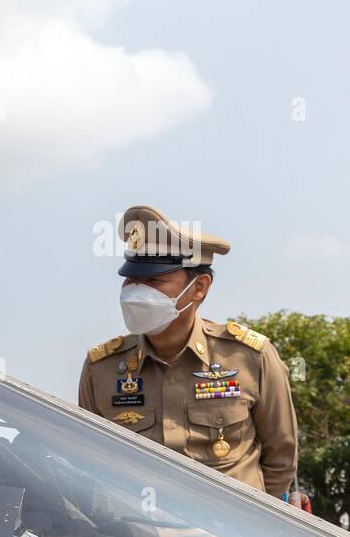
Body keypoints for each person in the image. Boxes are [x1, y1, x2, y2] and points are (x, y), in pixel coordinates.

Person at [78, 205, 301, 502]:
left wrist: (244, 529)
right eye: (131, 279)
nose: (135, 291)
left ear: (199, 288)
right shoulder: (101, 368)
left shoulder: (251, 358)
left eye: (153, 281)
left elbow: (280, 461)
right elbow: (87, 460)